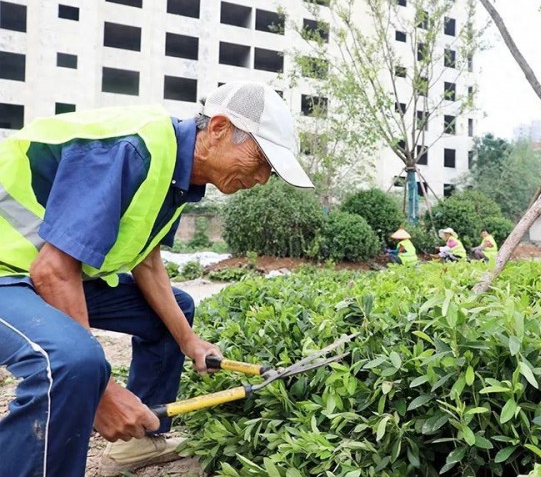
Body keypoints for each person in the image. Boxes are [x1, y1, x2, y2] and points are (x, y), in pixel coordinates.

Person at [0, 80, 314, 477]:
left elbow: (146, 263)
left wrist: (191, 342)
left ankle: (138, 442)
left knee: (175, 311)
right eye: (262, 160)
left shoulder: (178, 174)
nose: (262, 179)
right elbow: (53, 272)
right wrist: (102, 393)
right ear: (218, 129)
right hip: (11, 273)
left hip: (37, 272)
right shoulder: (132, 148)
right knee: (74, 362)